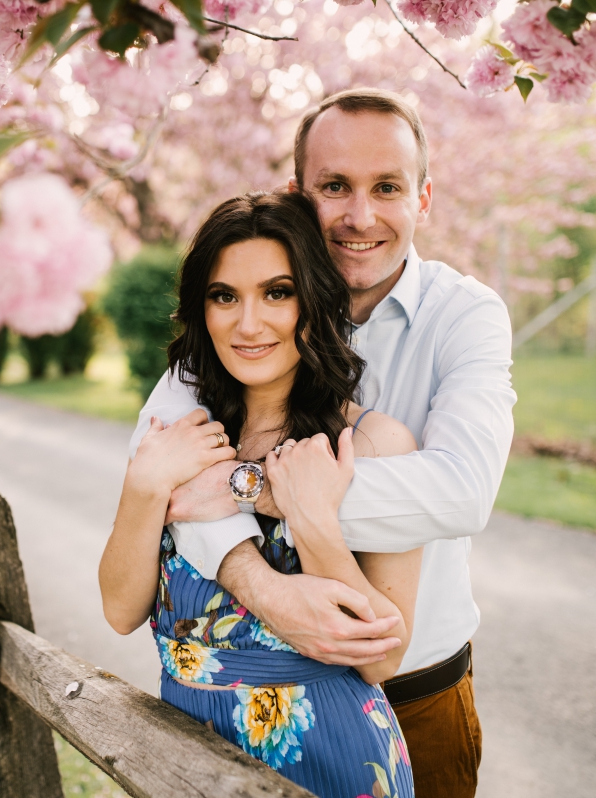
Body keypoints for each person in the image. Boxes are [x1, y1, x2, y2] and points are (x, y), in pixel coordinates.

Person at [125, 88, 516, 797]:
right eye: (334, 186)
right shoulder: (245, 320)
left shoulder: (465, 316)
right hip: (239, 697)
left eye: (387, 188)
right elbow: (156, 466)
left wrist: (263, 487)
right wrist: (257, 583)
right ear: (297, 195)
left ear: (422, 198)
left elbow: (461, 492)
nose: (360, 216)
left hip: (414, 693)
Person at [101, 190, 418, 796]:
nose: (249, 324)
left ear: (314, 299)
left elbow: (380, 659)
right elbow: (120, 611)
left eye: (277, 292)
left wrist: (315, 521)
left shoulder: (373, 441)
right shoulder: (181, 437)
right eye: (225, 296)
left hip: (330, 756)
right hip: (185, 753)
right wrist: (145, 486)